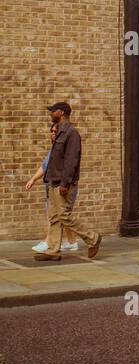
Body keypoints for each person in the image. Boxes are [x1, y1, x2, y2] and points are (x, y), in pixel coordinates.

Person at [34, 101, 102, 262]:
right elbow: (57, 158)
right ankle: (53, 251)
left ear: (62, 113)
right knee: (54, 217)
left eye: (53, 111)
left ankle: (92, 238)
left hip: (62, 183)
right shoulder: (59, 132)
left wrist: (65, 183)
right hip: (53, 180)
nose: (51, 113)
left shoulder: (71, 133)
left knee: (64, 215)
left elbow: (71, 161)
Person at [24, 123, 79, 252]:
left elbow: (70, 166)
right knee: (63, 216)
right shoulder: (53, 149)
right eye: (51, 131)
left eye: (56, 131)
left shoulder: (62, 149)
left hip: (61, 187)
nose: (53, 133)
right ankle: (72, 242)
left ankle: (48, 242)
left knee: (54, 215)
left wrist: (64, 185)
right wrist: (33, 179)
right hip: (52, 186)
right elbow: (44, 166)